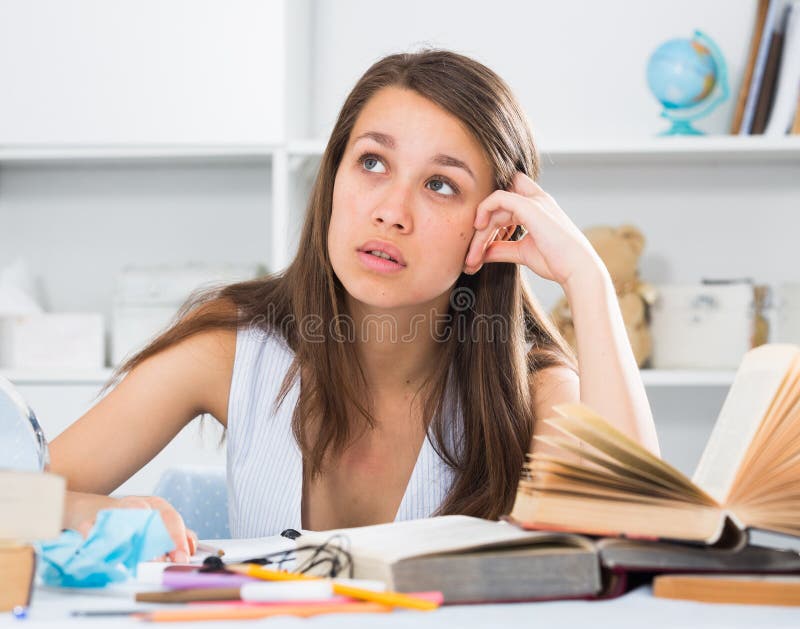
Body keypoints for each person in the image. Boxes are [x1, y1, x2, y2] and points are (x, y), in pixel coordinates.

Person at [50, 49, 659, 563]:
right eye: (372, 162)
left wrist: (588, 278)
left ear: (494, 225)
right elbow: (10, 497)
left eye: (440, 184)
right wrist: (85, 508)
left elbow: (637, 543)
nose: (392, 210)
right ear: (334, 179)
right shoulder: (229, 347)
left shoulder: (529, 390)